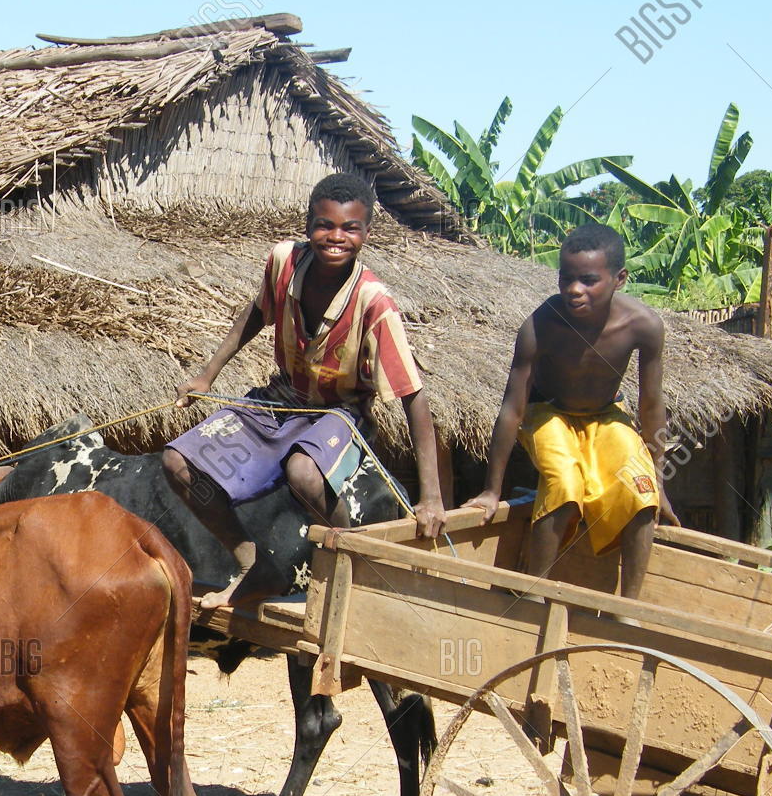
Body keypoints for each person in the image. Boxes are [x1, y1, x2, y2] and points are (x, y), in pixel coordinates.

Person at [162, 172, 446, 608]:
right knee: (178, 462)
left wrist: (431, 498)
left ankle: (350, 556)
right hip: (281, 398)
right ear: (308, 223)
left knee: (303, 474)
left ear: (367, 233)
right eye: (324, 224)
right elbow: (256, 314)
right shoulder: (284, 261)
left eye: (350, 228)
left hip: (339, 412)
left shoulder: (374, 304)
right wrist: (208, 375)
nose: (336, 237)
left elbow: (413, 395)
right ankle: (251, 560)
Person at [462, 223, 677, 598]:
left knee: (641, 494)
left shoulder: (643, 325)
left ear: (619, 279)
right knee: (564, 485)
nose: (574, 290)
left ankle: (627, 609)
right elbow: (512, 408)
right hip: (549, 411)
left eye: (588, 280)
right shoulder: (541, 324)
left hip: (607, 413)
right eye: (566, 279)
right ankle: (533, 593)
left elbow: (651, 404)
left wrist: (657, 478)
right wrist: (491, 490)